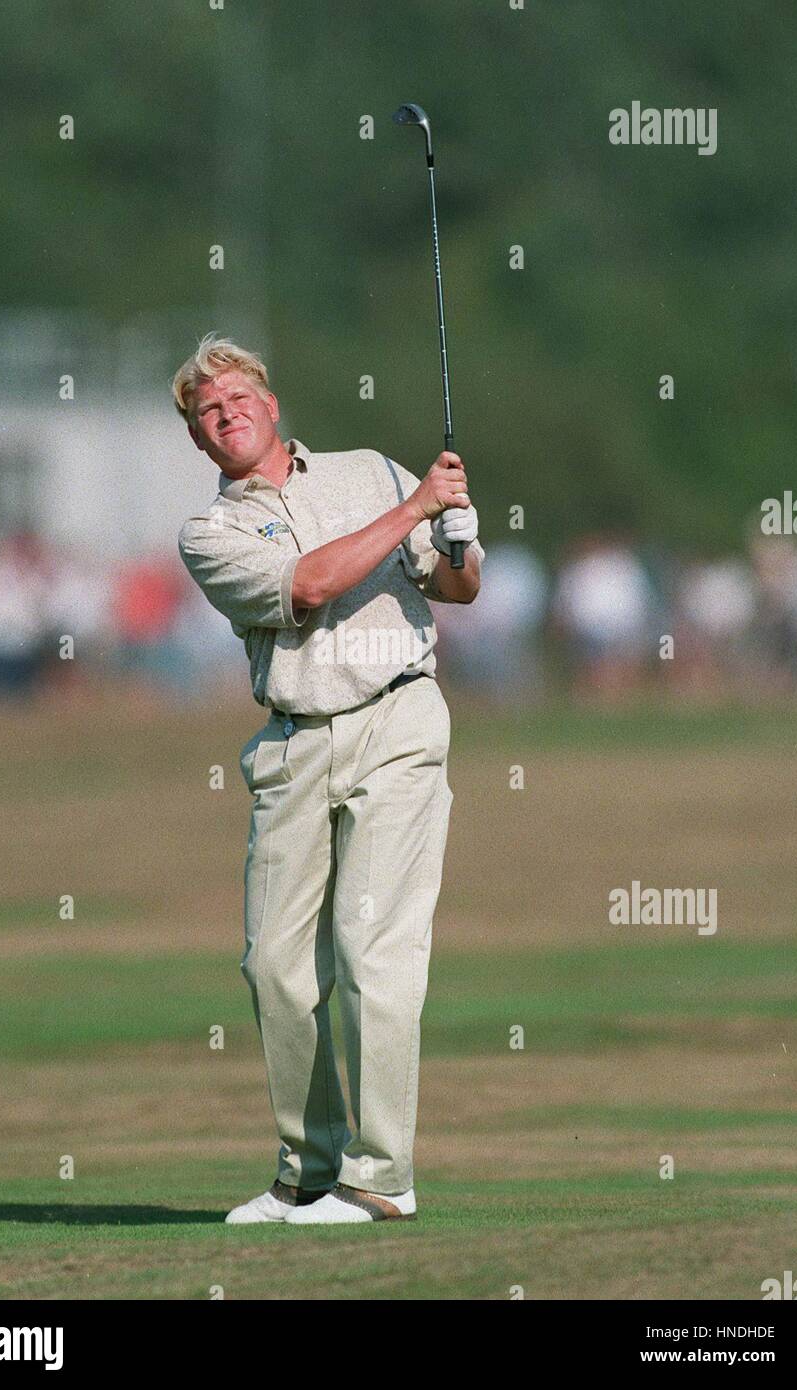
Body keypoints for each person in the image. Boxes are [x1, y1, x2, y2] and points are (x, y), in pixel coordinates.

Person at [173, 335, 484, 1224]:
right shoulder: (212, 533)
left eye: (237, 398)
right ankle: (309, 1169)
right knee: (273, 964)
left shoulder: (369, 471)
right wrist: (419, 503)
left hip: (399, 719)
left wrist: (456, 540)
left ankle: (381, 1178)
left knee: (372, 950)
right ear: (200, 441)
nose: (227, 414)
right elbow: (307, 585)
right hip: (294, 742)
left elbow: (457, 590)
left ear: (271, 406)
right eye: (207, 412)